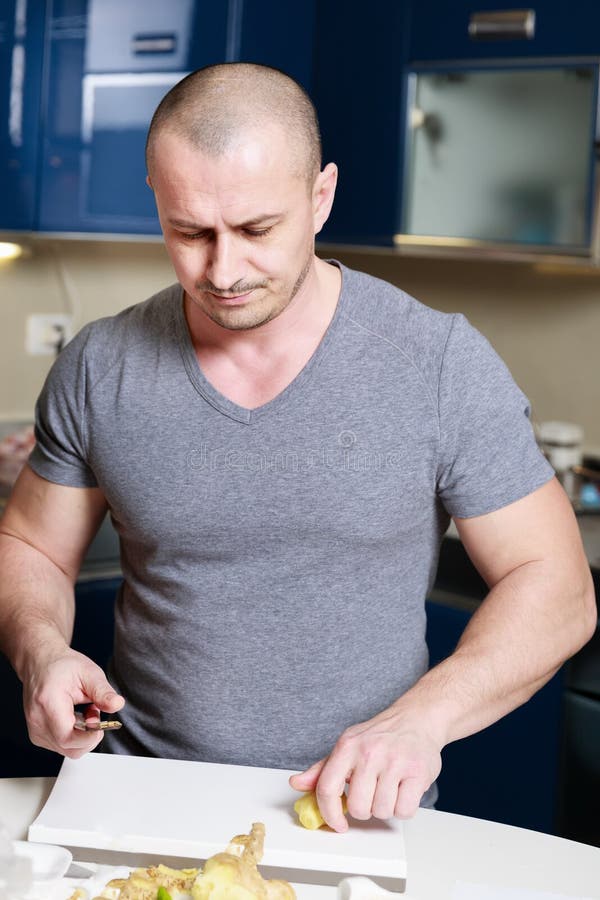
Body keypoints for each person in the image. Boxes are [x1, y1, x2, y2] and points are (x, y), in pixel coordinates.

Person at [0, 63, 595, 833]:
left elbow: (557, 586)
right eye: (189, 232)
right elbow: (32, 548)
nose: (223, 270)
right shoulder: (100, 364)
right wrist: (42, 650)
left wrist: (421, 722)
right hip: (136, 806)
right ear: (157, 198)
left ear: (321, 198)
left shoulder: (436, 361)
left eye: (255, 230)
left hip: (348, 818)